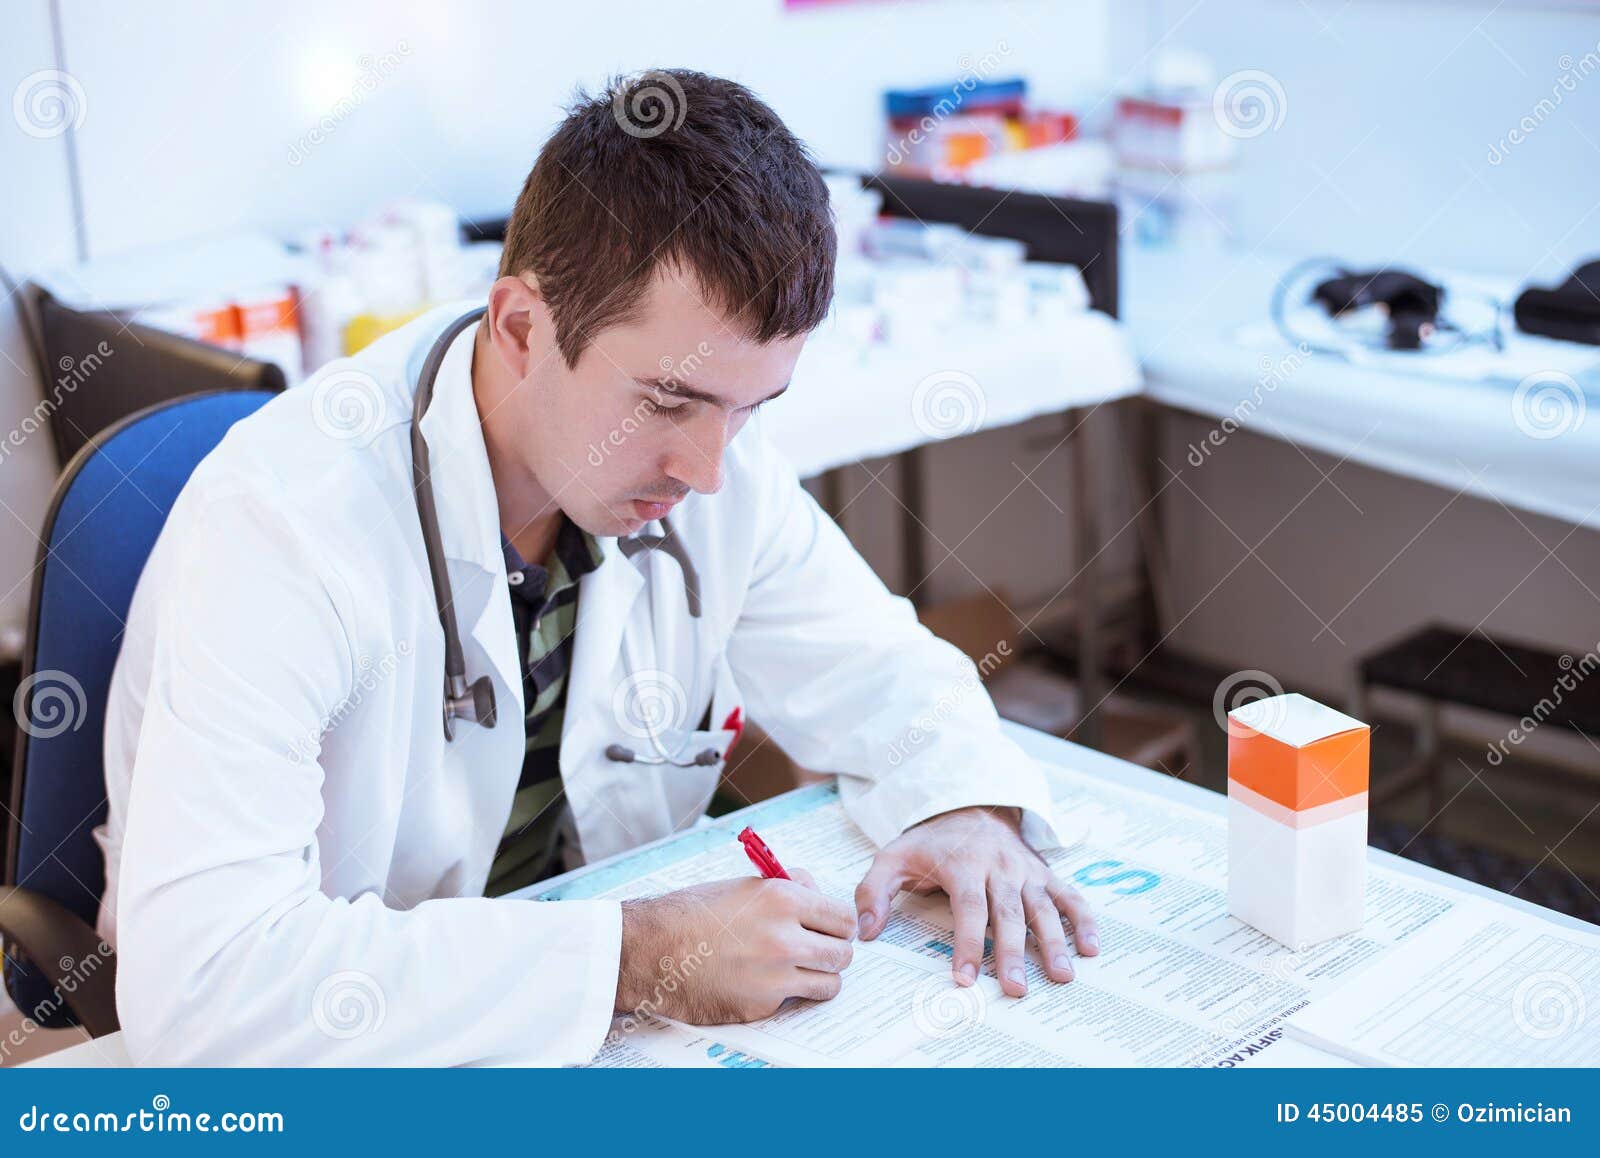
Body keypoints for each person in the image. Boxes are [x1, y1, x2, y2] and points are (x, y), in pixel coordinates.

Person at [96, 69, 1099, 1065]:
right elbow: (206, 993)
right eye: (666, 402)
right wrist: (634, 956)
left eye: (750, 408)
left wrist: (959, 804)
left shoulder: (717, 461)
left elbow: (879, 672)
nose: (707, 471)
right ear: (521, 328)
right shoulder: (283, 527)